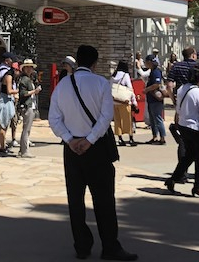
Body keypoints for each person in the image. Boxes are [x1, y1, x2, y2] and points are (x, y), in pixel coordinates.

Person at [48, 45, 138, 261]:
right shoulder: (100, 83)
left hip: (71, 150)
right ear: (95, 62)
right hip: (96, 148)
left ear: (77, 61)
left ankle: (82, 245)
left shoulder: (62, 86)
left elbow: (54, 119)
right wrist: (89, 140)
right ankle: (110, 246)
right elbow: (107, 116)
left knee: (76, 200)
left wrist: (70, 140)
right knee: (104, 200)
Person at [164, 66, 199, 198]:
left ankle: (173, 179)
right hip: (197, 130)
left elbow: (177, 106)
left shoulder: (182, 89)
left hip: (184, 127)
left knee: (189, 156)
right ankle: (198, 188)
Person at [0, 52, 18, 156]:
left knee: (1, 125)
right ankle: (2, 146)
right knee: (3, 125)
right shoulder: (7, 75)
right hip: (5, 100)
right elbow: (8, 90)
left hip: (3, 99)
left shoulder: (1, 70)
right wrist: (17, 91)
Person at [17, 58, 41, 158]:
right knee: (26, 129)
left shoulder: (28, 79)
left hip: (30, 105)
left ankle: (22, 149)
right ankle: (24, 151)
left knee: (27, 129)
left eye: (31, 67)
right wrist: (34, 91)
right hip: (27, 106)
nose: (30, 69)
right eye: (29, 67)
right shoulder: (25, 80)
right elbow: (23, 93)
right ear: (25, 68)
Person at [111, 60, 137, 147]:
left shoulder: (113, 75)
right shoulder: (125, 75)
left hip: (115, 102)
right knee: (127, 120)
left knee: (117, 120)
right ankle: (130, 138)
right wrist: (134, 102)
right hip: (124, 102)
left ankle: (120, 138)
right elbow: (130, 88)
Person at [143, 54, 167, 145]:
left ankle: (162, 138)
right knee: (152, 119)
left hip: (156, 100)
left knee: (157, 118)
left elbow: (156, 84)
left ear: (150, 62)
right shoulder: (152, 71)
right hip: (151, 99)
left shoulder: (156, 72)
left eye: (146, 62)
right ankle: (154, 136)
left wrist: (146, 90)